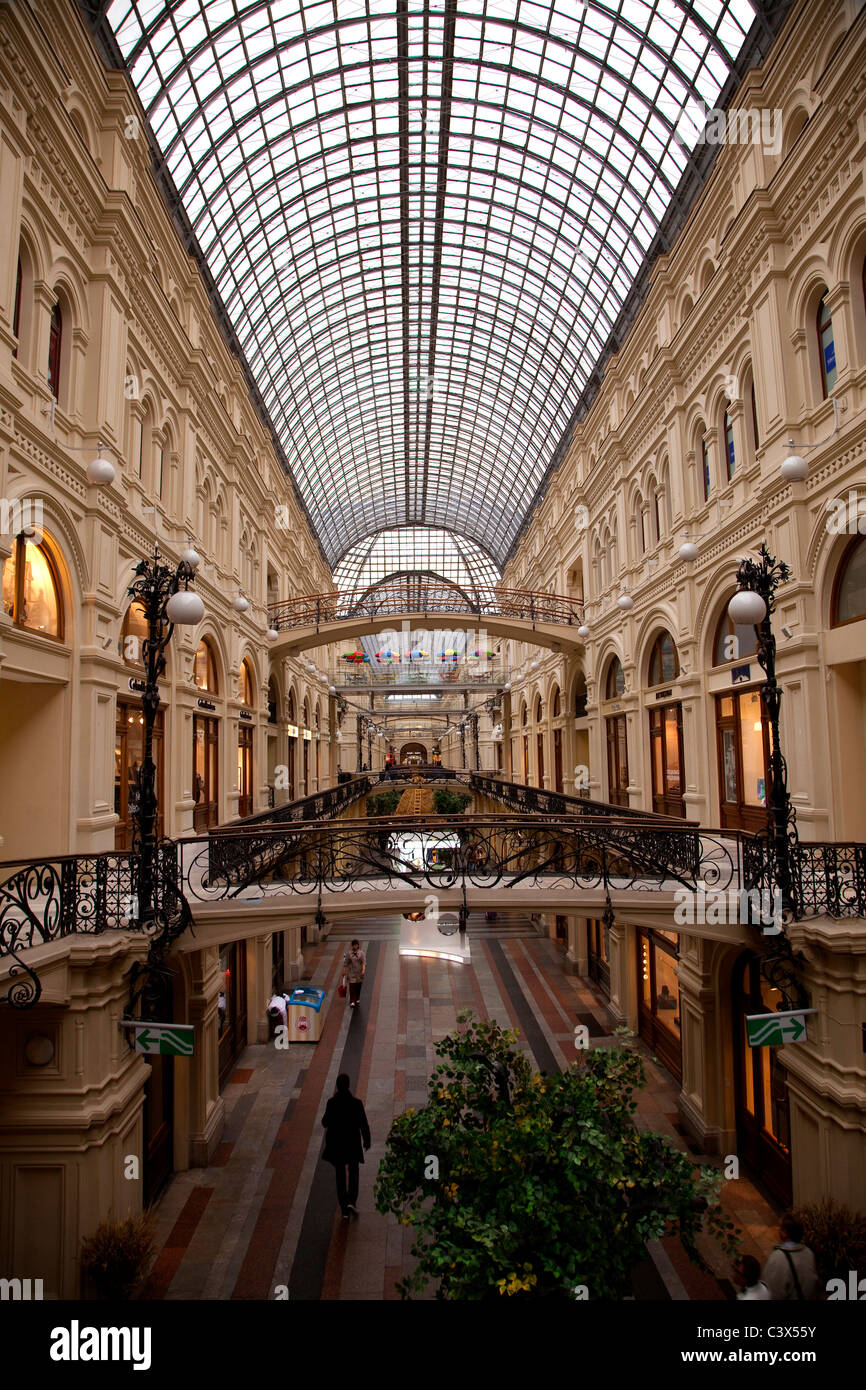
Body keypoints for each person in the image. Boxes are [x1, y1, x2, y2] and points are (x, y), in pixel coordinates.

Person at [321, 1073, 371, 1217]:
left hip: (337, 1144)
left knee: (340, 1174)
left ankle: (343, 1206)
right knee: (354, 1171)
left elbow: (325, 1122)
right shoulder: (356, 1103)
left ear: (337, 1085)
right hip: (352, 1143)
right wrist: (367, 1140)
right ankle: (351, 1201)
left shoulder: (331, 1103)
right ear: (348, 1085)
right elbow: (363, 1123)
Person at [761, 1213, 819, 1300]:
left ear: (785, 1233)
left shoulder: (778, 1258)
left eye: (780, 1228)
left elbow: (770, 1291)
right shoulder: (809, 1253)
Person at [342, 938, 366, 1008]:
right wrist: (344, 972)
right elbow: (345, 964)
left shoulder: (361, 953)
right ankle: (352, 1001)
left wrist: (363, 970)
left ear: (358, 945)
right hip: (351, 972)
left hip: (359, 973)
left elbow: (364, 962)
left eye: (356, 945)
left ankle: (357, 999)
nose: (355, 946)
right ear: (352, 946)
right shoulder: (349, 954)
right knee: (352, 987)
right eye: (354, 945)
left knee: (358, 987)